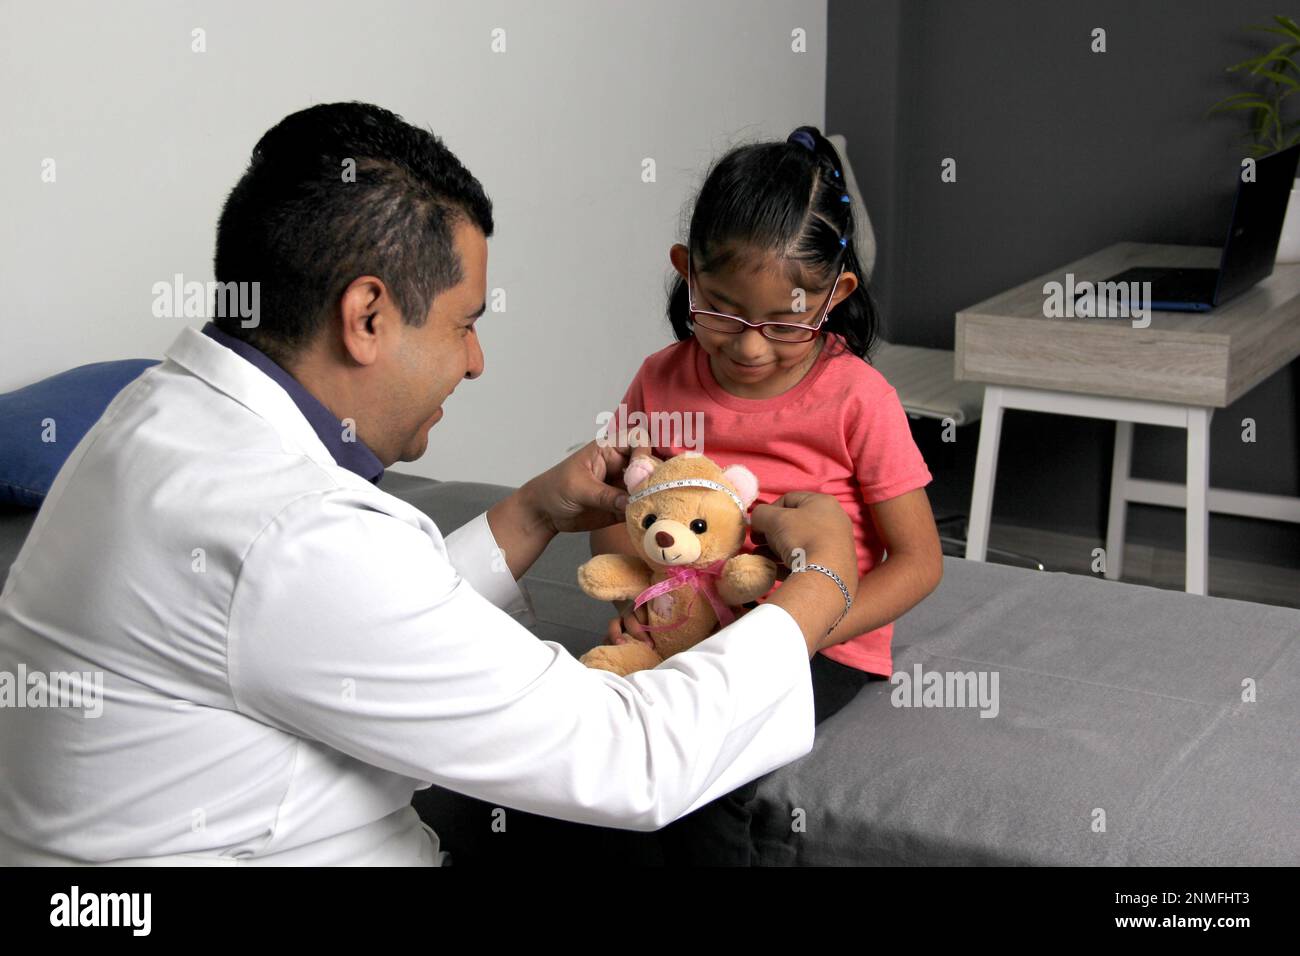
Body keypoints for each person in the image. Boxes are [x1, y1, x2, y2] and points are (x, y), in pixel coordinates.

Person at [0, 103, 862, 866]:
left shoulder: (150, 416)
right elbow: (630, 758)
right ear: (367, 317)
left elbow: (347, 625)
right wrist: (818, 583)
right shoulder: (297, 536)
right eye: (464, 326)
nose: (476, 363)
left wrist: (531, 510)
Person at [588, 125, 945, 864]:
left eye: (784, 324)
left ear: (835, 295)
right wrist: (636, 610)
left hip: (820, 640)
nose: (750, 347)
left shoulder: (856, 398)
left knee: (700, 767)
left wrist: (807, 629)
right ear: (686, 273)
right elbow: (612, 519)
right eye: (721, 311)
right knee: (595, 739)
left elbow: (918, 561)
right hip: (685, 618)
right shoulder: (661, 379)